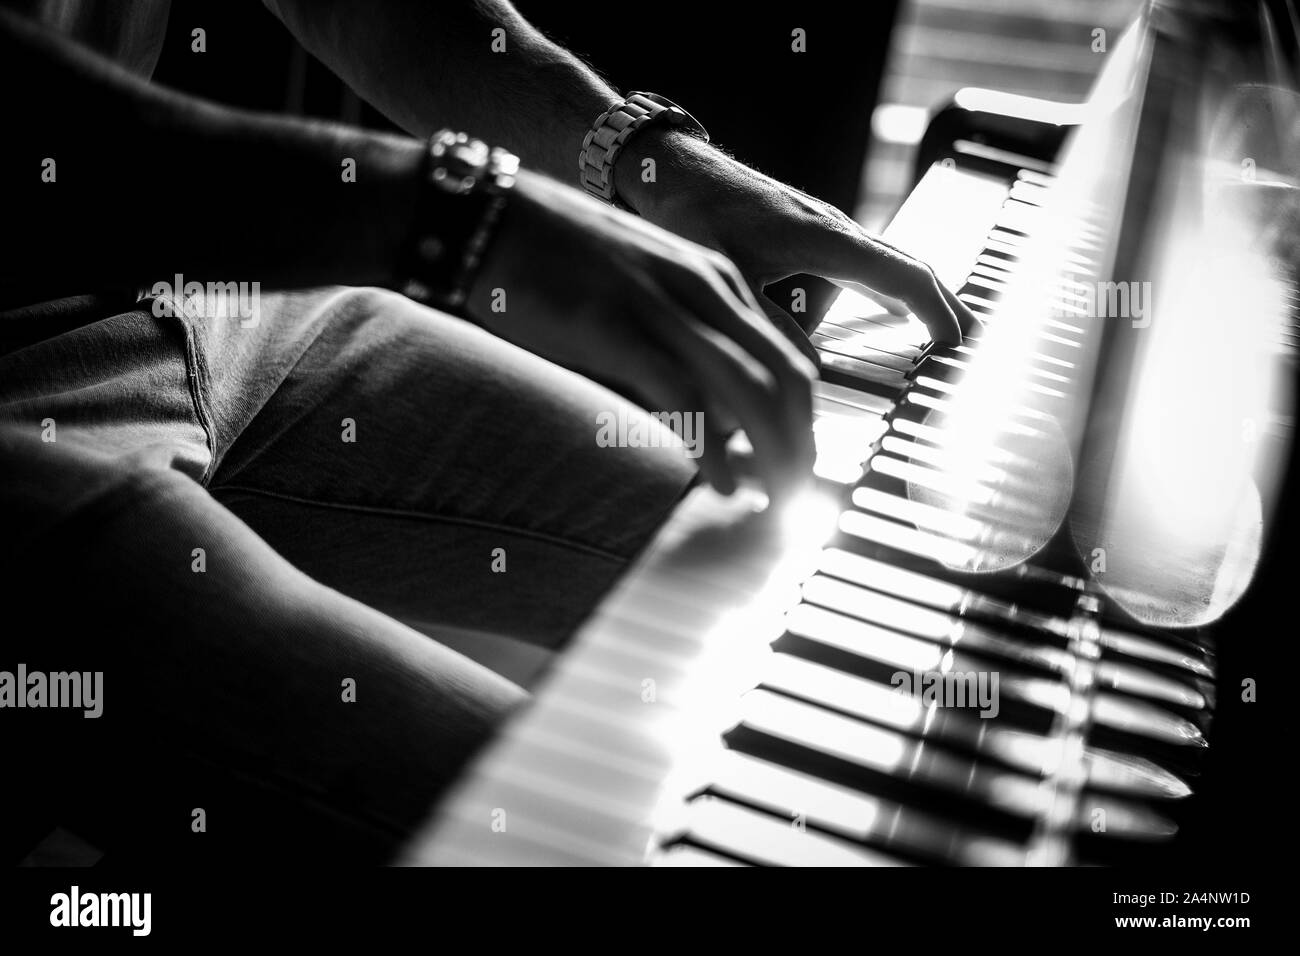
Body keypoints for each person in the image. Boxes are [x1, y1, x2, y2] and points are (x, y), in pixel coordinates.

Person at [0, 0, 974, 862]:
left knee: (797, 562)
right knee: (591, 830)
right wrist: (461, 217)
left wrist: (648, 162)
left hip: (208, 285)